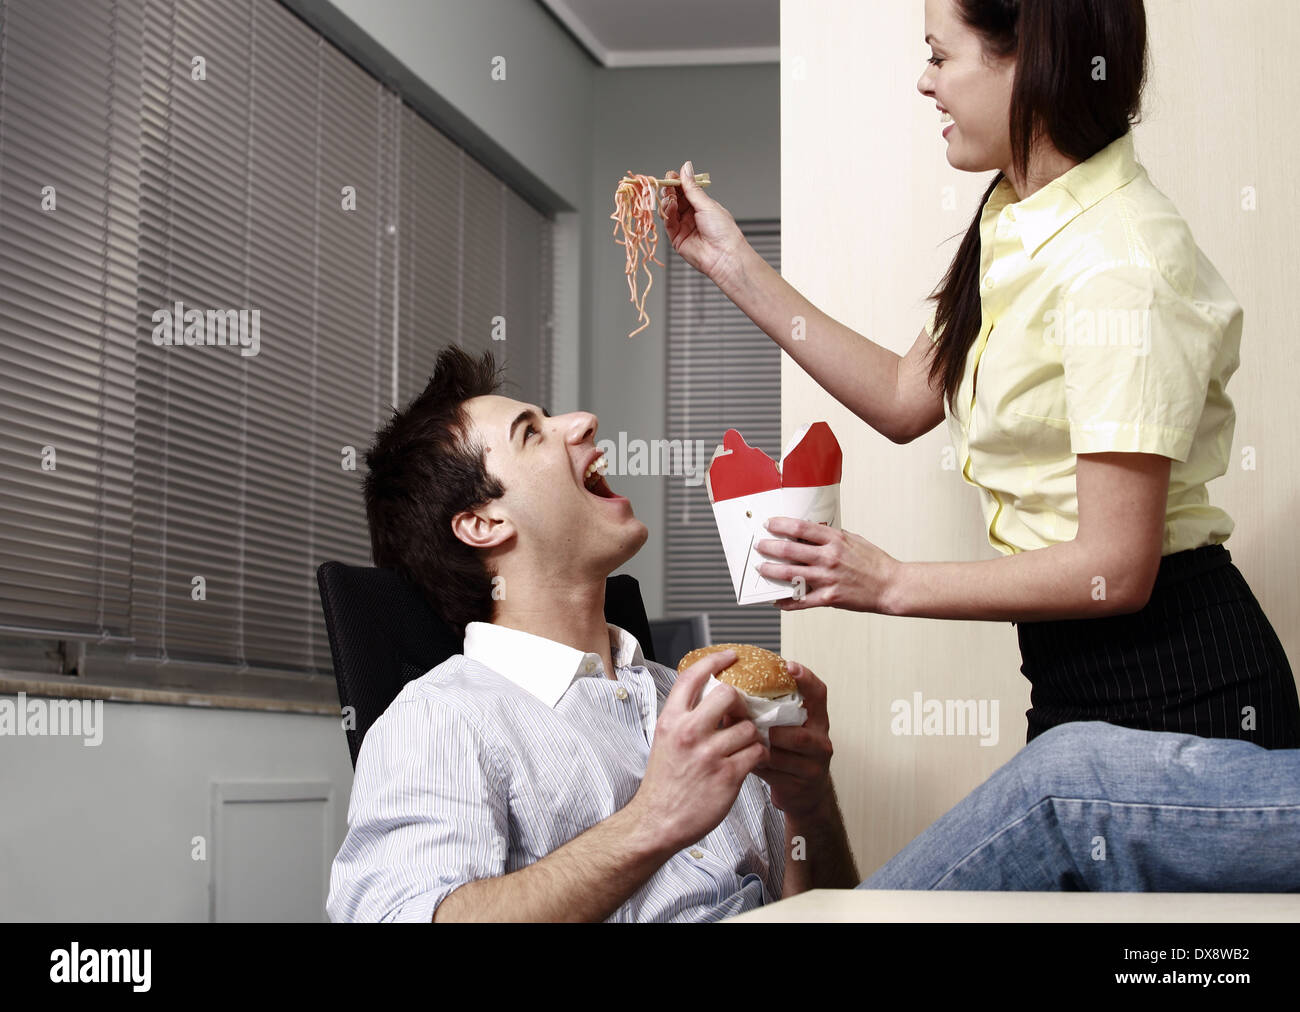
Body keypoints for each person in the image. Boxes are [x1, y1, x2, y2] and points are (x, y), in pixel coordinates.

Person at [324, 346, 1300, 922]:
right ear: (482, 523)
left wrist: (806, 797)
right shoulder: (441, 718)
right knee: (1063, 785)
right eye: (535, 431)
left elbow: (820, 899)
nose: (581, 420)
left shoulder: (687, 695)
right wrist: (658, 817)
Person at [657, 0, 1300, 748]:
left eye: (939, 54)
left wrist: (889, 581)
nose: (924, 83)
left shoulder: (1121, 262)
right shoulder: (1013, 210)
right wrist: (728, 263)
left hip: (1182, 687)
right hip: (1071, 673)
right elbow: (906, 397)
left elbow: (1117, 569)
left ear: (1030, 57)